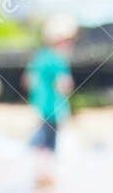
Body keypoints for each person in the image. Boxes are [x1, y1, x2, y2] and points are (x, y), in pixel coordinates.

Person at [23, 15, 76, 184]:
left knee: (42, 141)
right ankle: (47, 176)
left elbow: (27, 80)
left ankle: (39, 174)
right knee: (50, 142)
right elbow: (64, 85)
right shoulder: (58, 60)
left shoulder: (40, 57)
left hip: (40, 106)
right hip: (53, 107)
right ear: (61, 41)